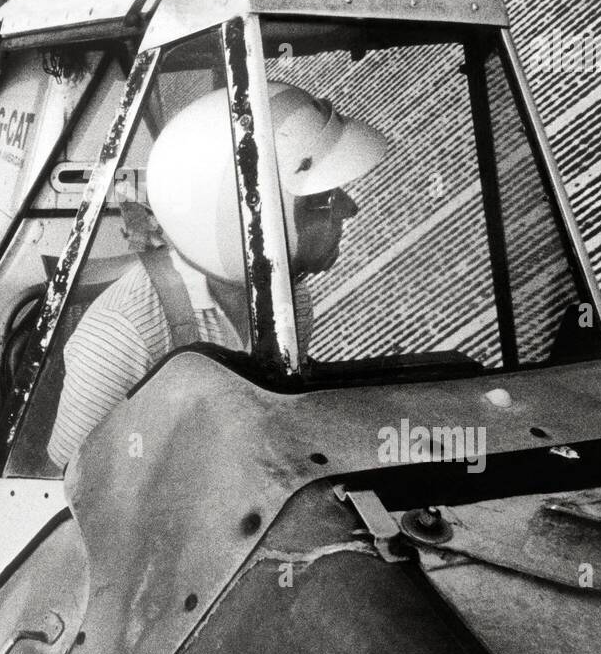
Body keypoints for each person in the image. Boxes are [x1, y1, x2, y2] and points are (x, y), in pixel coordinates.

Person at [46, 81, 386, 469]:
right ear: (240, 224)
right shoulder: (120, 336)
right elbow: (71, 490)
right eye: (319, 202)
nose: (349, 208)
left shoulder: (289, 296)